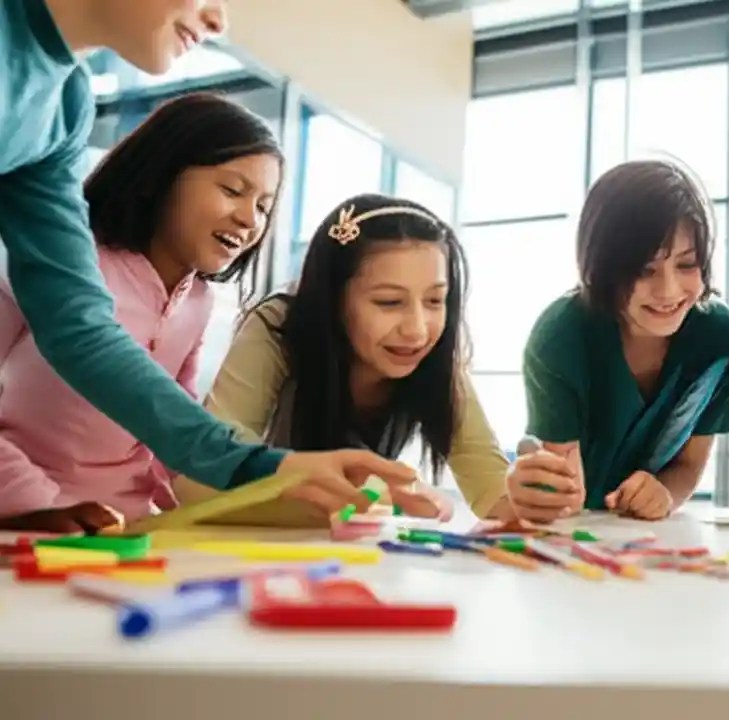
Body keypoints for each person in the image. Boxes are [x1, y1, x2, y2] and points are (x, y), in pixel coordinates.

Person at [0, 0, 420, 527]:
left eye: (264, 206)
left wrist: (261, 467)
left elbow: (79, 328)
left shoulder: (65, 104)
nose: (220, 18)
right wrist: (32, 499)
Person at [0, 92, 289, 531]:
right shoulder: (56, 268)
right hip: (29, 524)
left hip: (131, 528)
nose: (250, 219)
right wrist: (35, 505)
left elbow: (175, 420)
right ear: (163, 173)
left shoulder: (197, 302)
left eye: (265, 206)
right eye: (233, 190)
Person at [177, 194, 519, 525]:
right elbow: (203, 476)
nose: (417, 330)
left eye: (434, 301)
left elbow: (494, 491)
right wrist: (351, 497)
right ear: (332, 300)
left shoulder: (437, 353)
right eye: (388, 302)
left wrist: (534, 497)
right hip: (257, 548)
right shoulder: (281, 327)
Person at [513, 159, 729, 523]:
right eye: (644, 269)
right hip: (574, 532)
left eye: (687, 265)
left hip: (651, 539)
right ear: (599, 267)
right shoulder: (559, 337)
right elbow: (565, 493)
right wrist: (541, 490)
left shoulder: (722, 340)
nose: (668, 291)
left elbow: (688, 463)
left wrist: (665, 493)